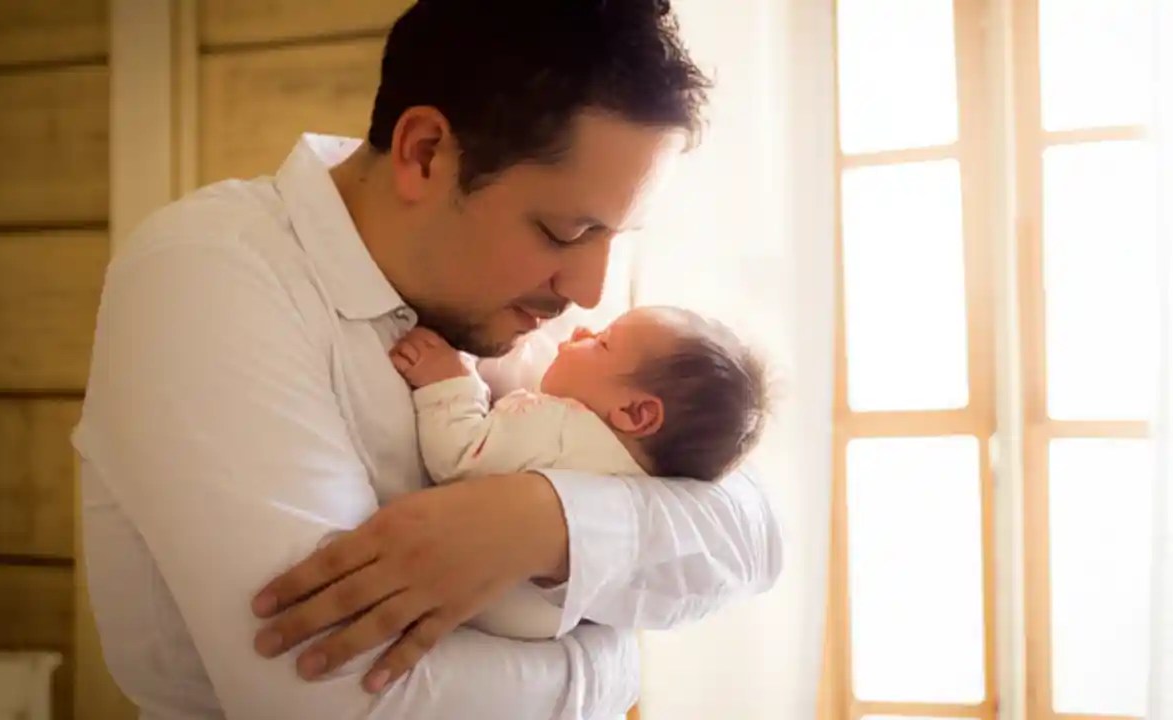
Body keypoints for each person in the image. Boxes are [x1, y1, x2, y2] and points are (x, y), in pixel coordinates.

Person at [75, 1, 783, 718]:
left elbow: (751, 533)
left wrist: (544, 521)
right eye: (564, 231)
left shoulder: (525, 305)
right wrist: (611, 669)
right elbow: (332, 701)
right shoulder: (209, 277)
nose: (590, 292)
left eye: (613, 237)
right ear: (424, 153)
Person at [390, 306, 773, 639]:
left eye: (602, 342)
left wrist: (451, 378)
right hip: (542, 624)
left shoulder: (560, 428)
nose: (581, 331)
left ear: (635, 413)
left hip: (489, 610)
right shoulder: (644, 473)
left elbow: (458, 457)